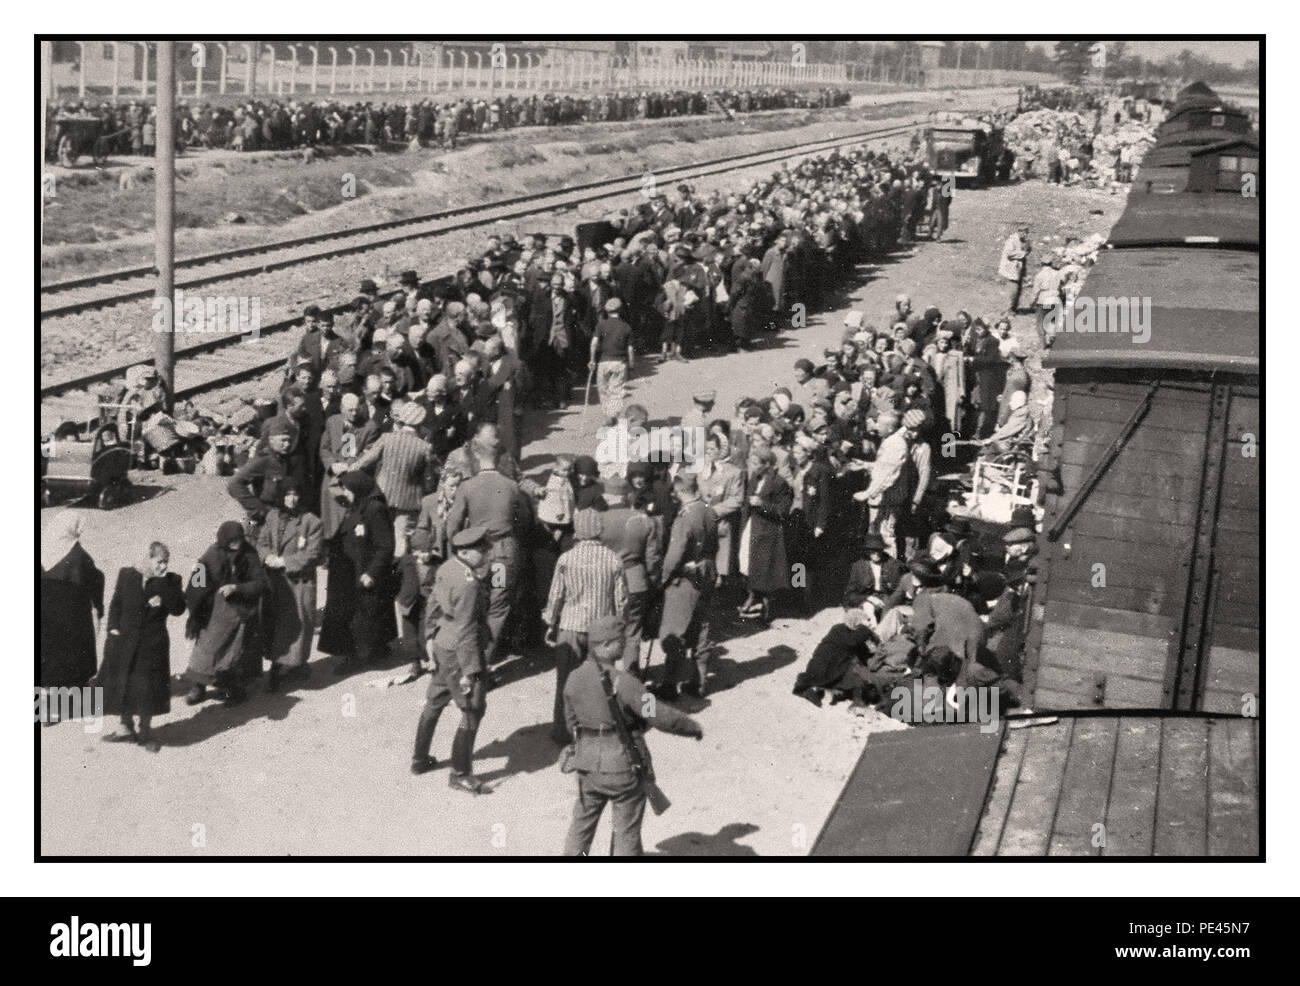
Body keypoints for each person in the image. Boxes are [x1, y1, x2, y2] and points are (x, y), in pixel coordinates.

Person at [562, 614, 703, 857]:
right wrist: (691, 727)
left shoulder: (573, 679)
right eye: (620, 641)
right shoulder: (625, 683)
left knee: (581, 826)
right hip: (622, 768)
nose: (625, 644)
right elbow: (660, 715)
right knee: (625, 831)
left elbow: (571, 723)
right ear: (605, 645)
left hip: (586, 766)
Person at [411, 525, 493, 795]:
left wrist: (431, 638)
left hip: (444, 644)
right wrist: (471, 671)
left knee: (435, 700)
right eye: (482, 549)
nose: (487, 552)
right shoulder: (468, 583)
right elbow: (468, 630)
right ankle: (460, 773)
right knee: (472, 708)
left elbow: (433, 604)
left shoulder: (447, 567)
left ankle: (420, 760)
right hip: (460, 651)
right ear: (466, 552)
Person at [544, 509, 629, 745]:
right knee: (601, 682)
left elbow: (556, 597)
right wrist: (620, 627)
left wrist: (551, 623)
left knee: (566, 682)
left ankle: (563, 731)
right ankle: (599, 728)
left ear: (577, 531)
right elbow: (621, 600)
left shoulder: (565, 559)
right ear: (599, 530)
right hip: (601, 632)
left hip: (570, 628)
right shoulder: (613, 559)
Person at [98, 542, 186, 751]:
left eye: (166, 562)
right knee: (125, 685)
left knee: (148, 689)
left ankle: (145, 732)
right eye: (159, 562)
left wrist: (164, 591)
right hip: (125, 641)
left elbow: (179, 609)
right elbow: (116, 603)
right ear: (148, 558)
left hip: (152, 644)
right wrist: (112, 628)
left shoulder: (171, 581)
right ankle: (125, 727)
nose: (163, 566)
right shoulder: (127, 575)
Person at [184, 521, 267, 707]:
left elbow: (260, 583)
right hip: (214, 613)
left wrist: (237, 587)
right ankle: (199, 687)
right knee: (205, 651)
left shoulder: (249, 554)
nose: (236, 544)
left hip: (240, 611)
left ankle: (233, 689)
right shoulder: (211, 555)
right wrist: (198, 610)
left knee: (234, 655)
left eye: (239, 539)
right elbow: (195, 584)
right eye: (232, 540)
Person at [322, 471, 396, 672]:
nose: (344, 493)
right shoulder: (357, 506)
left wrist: (372, 573)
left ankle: (355, 658)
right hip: (348, 571)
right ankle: (371, 650)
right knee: (357, 615)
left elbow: (386, 546)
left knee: (359, 616)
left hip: (363, 573)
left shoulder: (375, 509)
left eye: (347, 489)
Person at [655, 473, 719, 699]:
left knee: (675, 630)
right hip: (707, 573)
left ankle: (670, 685)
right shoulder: (709, 510)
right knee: (702, 627)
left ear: (680, 491)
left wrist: (662, 579)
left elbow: (674, 556)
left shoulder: (684, 517)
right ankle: (699, 682)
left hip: (686, 579)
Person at [256, 478, 323, 691]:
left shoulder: (311, 521)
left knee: (299, 625)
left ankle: (294, 666)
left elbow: (312, 554)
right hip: (277, 581)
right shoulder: (273, 516)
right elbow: (262, 542)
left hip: (299, 582)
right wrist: (266, 557)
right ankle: (278, 668)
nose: (291, 499)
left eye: (295, 494)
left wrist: (284, 561)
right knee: (277, 625)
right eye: (287, 494)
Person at [40, 513, 104, 700]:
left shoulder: (43, 549)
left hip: (47, 617)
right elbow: (95, 578)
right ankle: (78, 704)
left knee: (48, 661)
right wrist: (99, 608)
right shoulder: (78, 555)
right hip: (74, 617)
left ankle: (46, 712)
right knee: (77, 659)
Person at [737, 448, 793, 623]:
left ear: (767, 464)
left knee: (766, 570)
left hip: (769, 532)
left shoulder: (780, 483)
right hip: (753, 527)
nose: (752, 467)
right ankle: (752, 596)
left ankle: (767, 607)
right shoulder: (755, 478)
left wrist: (762, 504)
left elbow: (782, 511)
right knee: (748, 563)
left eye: (755, 463)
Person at [589, 297, 634, 426]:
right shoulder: (626, 327)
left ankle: (607, 416)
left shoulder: (601, 324)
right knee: (617, 391)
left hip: (603, 362)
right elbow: (630, 350)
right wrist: (631, 366)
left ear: (607, 311)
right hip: (619, 363)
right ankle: (613, 414)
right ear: (620, 310)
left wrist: (592, 359)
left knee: (603, 391)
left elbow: (594, 344)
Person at [998, 223, 1031, 314]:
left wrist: (1027, 250)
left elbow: (1029, 249)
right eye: (1022, 233)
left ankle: (1014, 308)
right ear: (1019, 232)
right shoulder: (1011, 240)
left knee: (1019, 288)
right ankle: (1008, 309)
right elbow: (1009, 254)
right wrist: (1022, 253)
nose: (1024, 235)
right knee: (1013, 288)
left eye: (1026, 233)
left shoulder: (1026, 240)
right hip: (1011, 268)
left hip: (1020, 267)